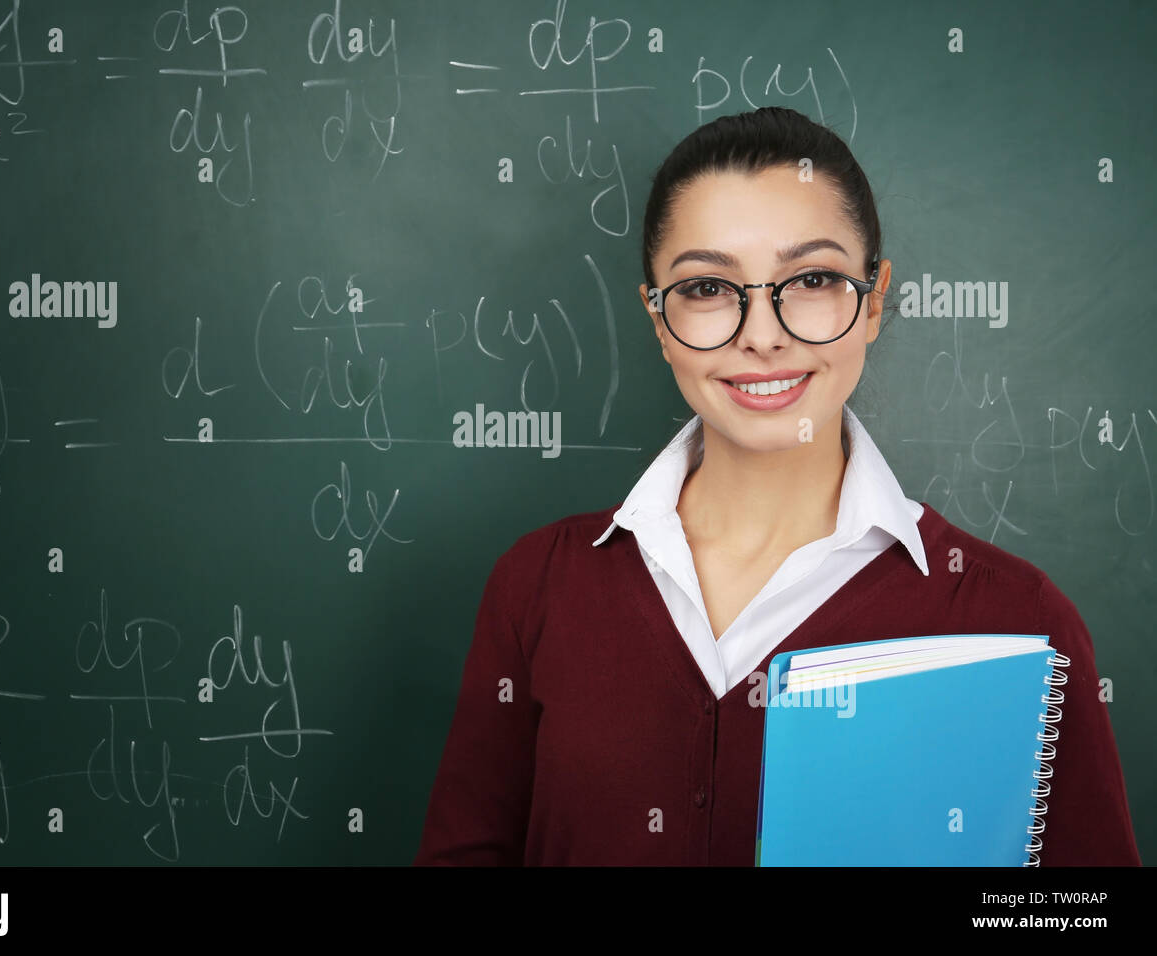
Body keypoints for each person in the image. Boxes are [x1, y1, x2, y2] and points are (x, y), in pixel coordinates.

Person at [413, 107, 1141, 866]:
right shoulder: (538, 585)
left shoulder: (1015, 619)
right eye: (706, 288)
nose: (762, 334)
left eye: (814, 279)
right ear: (657, 320)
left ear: (876, 299)